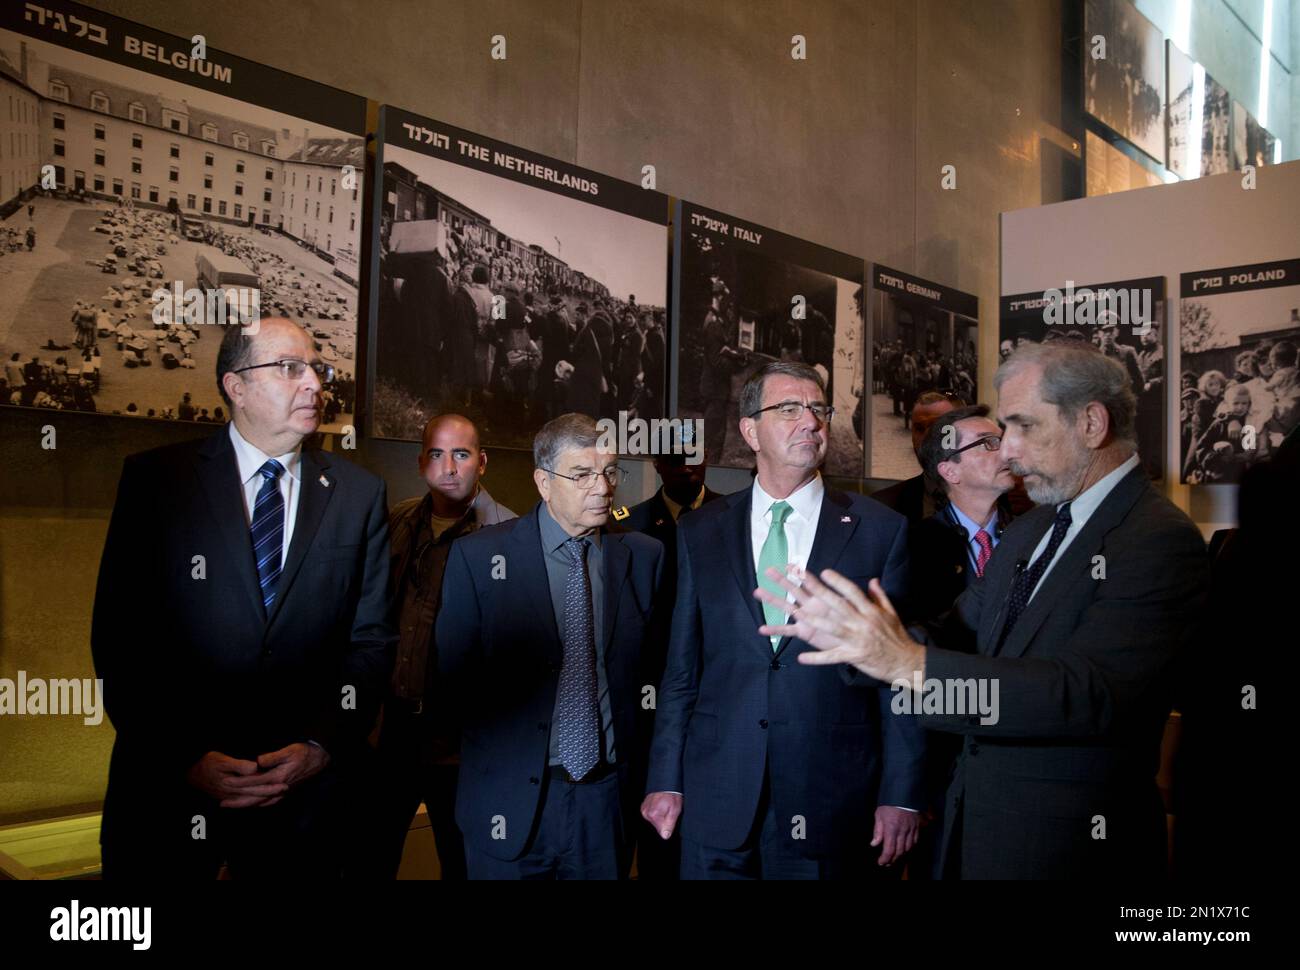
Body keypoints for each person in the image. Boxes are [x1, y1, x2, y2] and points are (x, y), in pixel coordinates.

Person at [761, 341, 1209, 879]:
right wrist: (855, 642)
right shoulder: (1035, 529)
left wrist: (906, 663)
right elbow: (956, 632)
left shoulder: (1157, 539)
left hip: (1070, 851)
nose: (1010, 453)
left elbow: (1086, 695)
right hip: (969, 833)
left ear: (1091, 423)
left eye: (1021, 427)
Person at [91, 318, 396, 879]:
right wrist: (183, 755)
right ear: (235, 386)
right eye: (289, 368)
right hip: (169, 796)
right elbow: (120, 640)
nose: (314, 384)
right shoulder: (157, 482)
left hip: (306, 804)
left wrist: (323, 742)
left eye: (317, 369)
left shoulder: (359, 495)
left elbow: (371, 639)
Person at [642, 362, 924, 879]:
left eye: (818, 409)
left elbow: (899, 678)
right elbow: (681, 671)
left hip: (832, 802)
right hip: (718, 799)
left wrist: (901, 795)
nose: (810, 422)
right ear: (750, 430)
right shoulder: (700, 531)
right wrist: (666, 778)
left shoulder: (880, 532)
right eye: (789, 409)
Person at [436, 413, 667, 879]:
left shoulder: (644, 557)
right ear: (543, 482)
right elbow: (452, 680)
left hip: (605, 805)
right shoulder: (480, 559)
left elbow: (658, 676)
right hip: (509, 801)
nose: (602, 487)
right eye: (582, 475)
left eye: (609, 471)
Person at [360, 414, 515, 880]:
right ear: (420, 461)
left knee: (461, 862)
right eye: (436, 454)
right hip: (392, 730)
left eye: (462, 454)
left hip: (461, 744)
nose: (449, 467)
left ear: (482, 462)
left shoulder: (509, 536)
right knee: (369, 856)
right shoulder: (399, 521)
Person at [907, 404, 1016, 878]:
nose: (1006, 449)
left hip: (1021, 759)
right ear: (949, 469)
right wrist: (912, 785)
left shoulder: (1038, 539)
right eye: (988, 443)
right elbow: (908, 669)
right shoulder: (912, 547)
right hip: (944, 768)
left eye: (1004, 438)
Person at [617, 433, 721, 880]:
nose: (686, 467)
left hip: (716, 692)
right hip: (649, 697)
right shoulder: (629, 525)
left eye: (694, 456)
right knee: (653, 824)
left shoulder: (733, 519)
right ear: (657, 464)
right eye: (675, 459)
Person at [870, 390, 965, 525]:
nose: (927, 438)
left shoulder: (996, 501)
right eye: (919, 428)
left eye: (937, 427)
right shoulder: (884, 507)